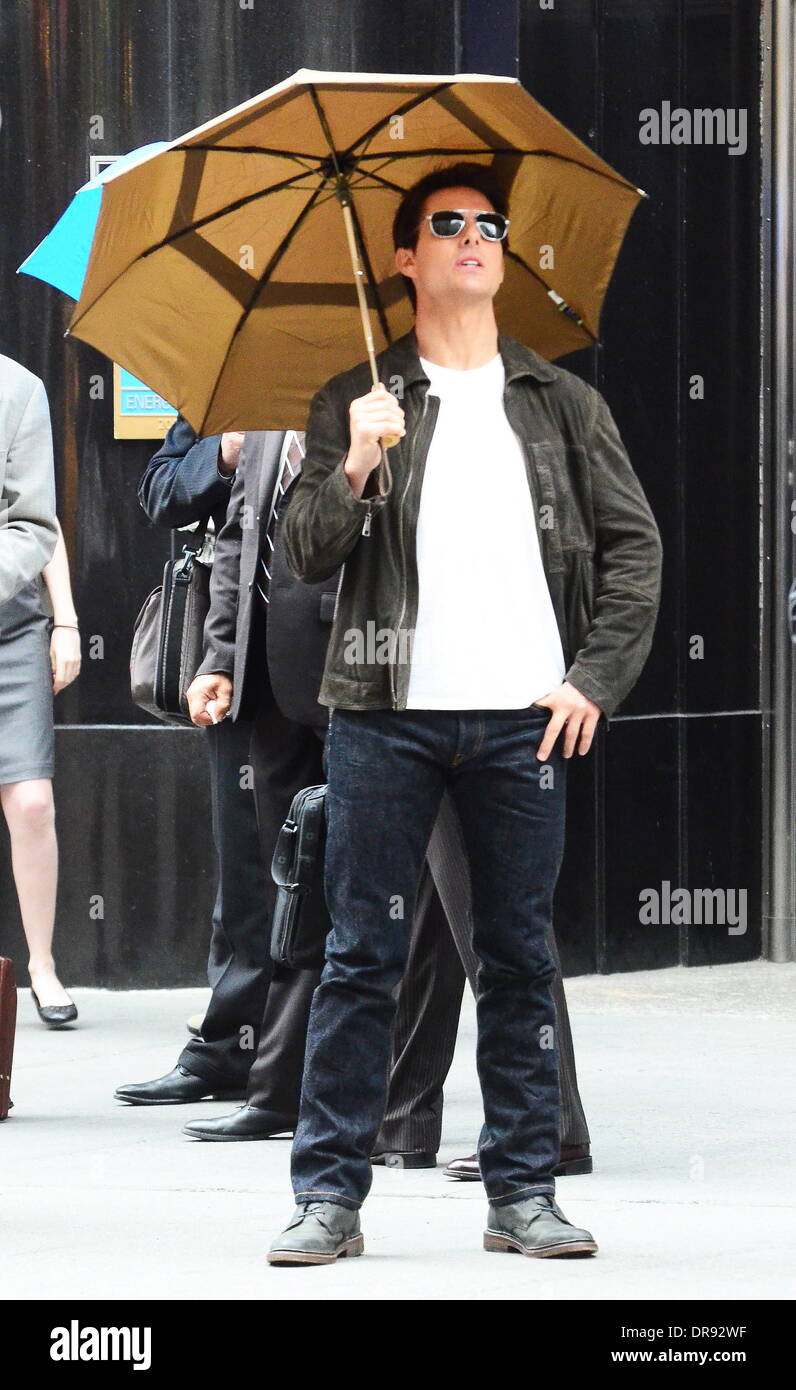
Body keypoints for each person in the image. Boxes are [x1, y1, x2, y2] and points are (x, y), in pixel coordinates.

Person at [268, 163, 663, 1266]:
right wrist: (355, 460)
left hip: (519, 722)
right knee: (359, 956)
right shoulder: (358, 399)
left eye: (489, 224)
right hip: (383, 714)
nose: (474, 238)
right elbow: (301, 556)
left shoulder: (560, 402)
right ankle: (329, 1198)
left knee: (519, 959)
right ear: (405, 259)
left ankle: (522, 1189)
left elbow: (634, 548)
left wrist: (593, 678)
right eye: (448, 225)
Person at [179, 432, 592, 1175]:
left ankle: (555, 1125)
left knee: (485, 910)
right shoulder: (275, 414)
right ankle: (400, 1118)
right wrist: (220, 661)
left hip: (424, 688)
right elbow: (251, 542)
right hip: (319, 690)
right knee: (391, 915)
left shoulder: (421, 411)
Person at [116, 421, 265, 1103]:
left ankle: (332, 1054)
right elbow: (159, 492)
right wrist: (224, 452)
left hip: (348, 661)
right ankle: (226, 1050)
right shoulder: (220, 390)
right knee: (242, 859)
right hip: (232, 662)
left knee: (348, 869)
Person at [0, 354, 79, 1027]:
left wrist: (68, 620)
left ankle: (43, 963)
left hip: (7, 623)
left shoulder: (17, 389)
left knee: (31, 802)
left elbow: (37, 525)